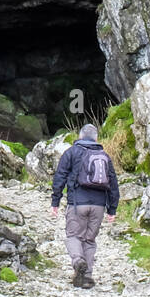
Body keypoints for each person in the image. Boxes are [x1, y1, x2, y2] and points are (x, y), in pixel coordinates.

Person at [50, 122, 119, 288]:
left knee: (74, 236)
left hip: (77, 204)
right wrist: (112, 209)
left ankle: (78, 261)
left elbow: (60, 177)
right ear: (96, 138)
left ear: (80, 136)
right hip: (98, 206)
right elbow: (113, 183)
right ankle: (86, 277)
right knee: (89, 240)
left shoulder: (71, 152)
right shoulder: (104, 156)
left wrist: (55, 201)